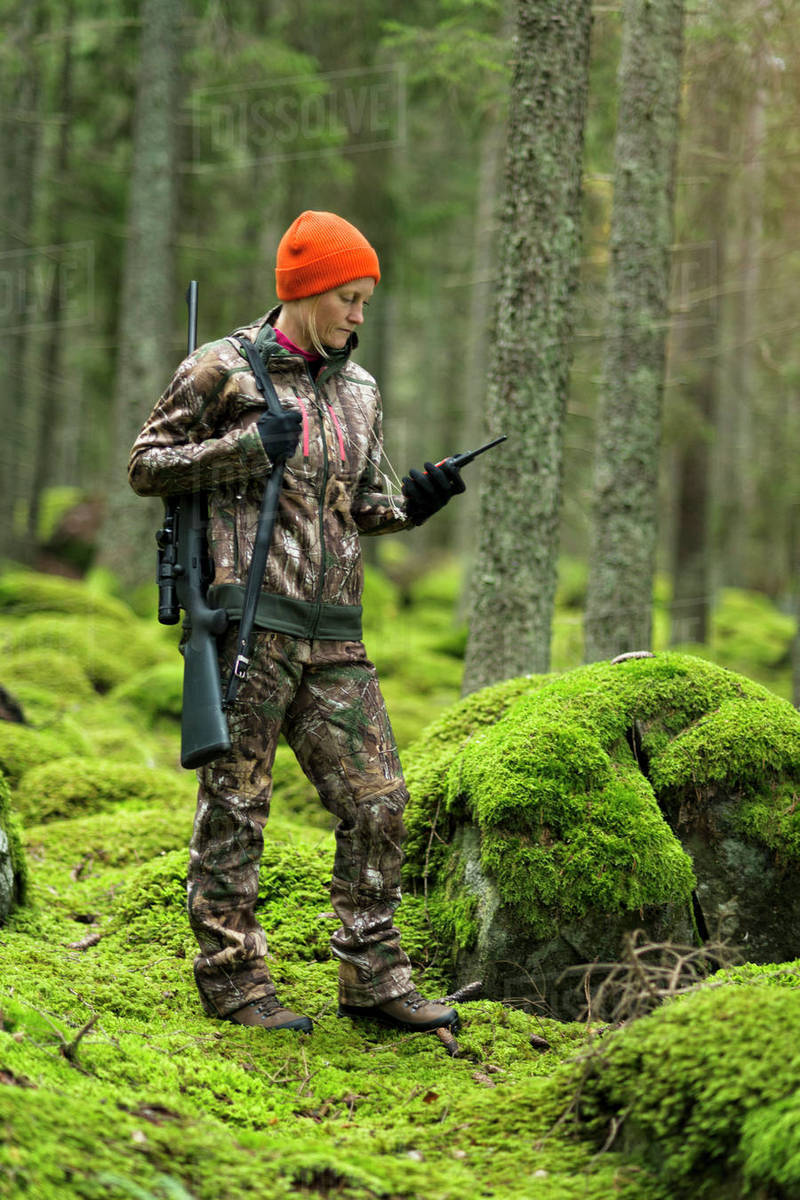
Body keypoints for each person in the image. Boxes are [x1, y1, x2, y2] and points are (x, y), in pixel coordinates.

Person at [128, 210, 466, 1035]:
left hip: (337, 633)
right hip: (249, 626)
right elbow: (146, 464)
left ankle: (373, 977)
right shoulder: (221, 368)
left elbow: (363, 506)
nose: (359, 314)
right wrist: (245, 448)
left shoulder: (360, 390)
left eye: (366, 300)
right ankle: (233, 978)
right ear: (308, 290)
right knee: (237, 811)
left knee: (382, 804)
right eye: (348, 297)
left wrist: (412, 504)